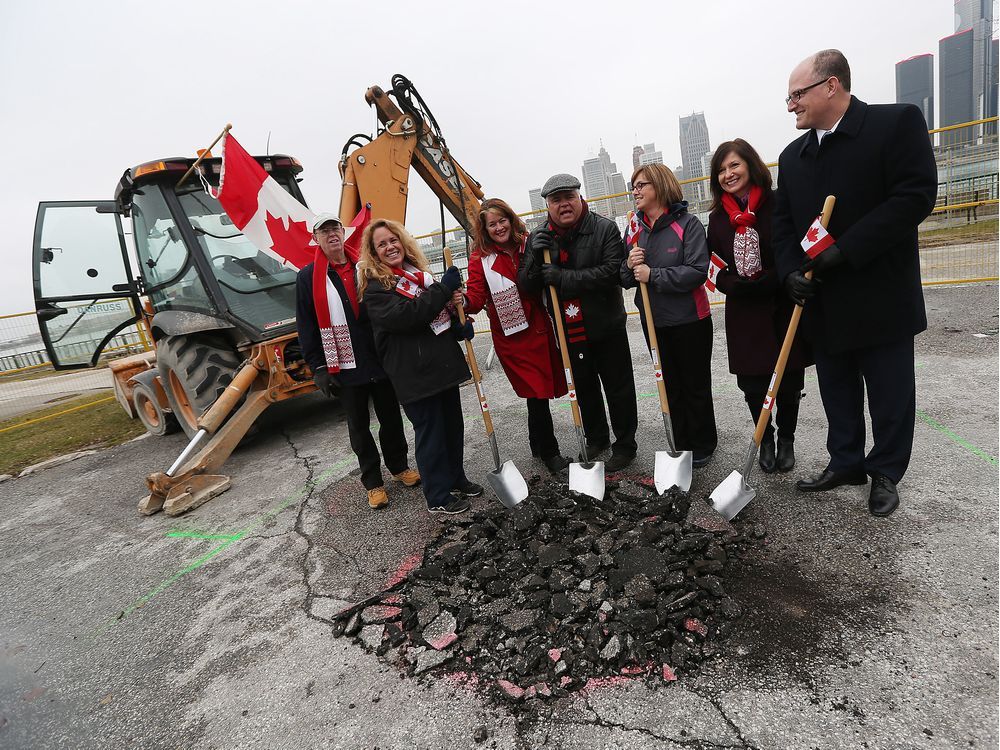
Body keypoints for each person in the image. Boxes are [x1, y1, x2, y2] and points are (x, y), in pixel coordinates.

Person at [773, 49, 937, 517]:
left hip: (879, 295)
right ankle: (844, 460)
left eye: (797, 95)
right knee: (837, 390)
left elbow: (915, 195)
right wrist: (789, 273)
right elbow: (783, 226)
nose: (791, 106)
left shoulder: (895, 124)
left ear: (831, 85)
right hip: (824, 301)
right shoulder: (794, 156)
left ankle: (885, 471)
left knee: (890, 394)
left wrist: (847, 249)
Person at [295, 213, 420, 510]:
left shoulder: (366, 267)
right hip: (345, 364)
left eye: (335, 228)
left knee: (391, 418)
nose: (331, 235)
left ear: (343, 232)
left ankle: (399, 466)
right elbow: (307, 326)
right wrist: (320, 368)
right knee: (359, 426)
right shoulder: (308, 278)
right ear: (316, 239)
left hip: (379, 357)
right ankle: (373, 483)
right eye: (324, 231)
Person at [358, 218, 481, 515]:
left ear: (403, 241)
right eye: (382, 244)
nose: (390, 247)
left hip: (441, 366)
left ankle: (455, 478)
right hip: (414, 374)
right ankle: (437, 496)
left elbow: (433, 320)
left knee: (452, 427)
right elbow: (409, 317)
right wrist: (442, 290)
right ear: (373, 253)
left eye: (393, 240)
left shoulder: (418, 276)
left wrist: (456, 327)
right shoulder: (376, 290)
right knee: (431, 433)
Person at [518, 174, 638, 473]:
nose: (564, 204)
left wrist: (564, 278)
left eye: (568, 197)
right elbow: (527, 284)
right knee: (584, 388)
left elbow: (612, 272)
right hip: (569, 328)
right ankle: (597, 436)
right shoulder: (538, 236)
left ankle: (625, 444)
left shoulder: (604, 228)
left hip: (606, 323)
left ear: (579, 197)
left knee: (618, 388)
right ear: (547, 205)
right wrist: (534, 257)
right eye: (556, 200)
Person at [707, 140, 810, 473]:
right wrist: (731, 284)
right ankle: (765, 438)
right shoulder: (717, 218)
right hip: (743, 311)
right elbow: (713, 266)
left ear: (750, 165)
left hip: (781, 303)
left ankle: (788, 440)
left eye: (734, 165)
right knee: (754, 385)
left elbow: (793, 248)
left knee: (789, 381)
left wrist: (775, 278)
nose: (728, 174)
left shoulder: (776, 203)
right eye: (721, 170)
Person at [620, 163, 718, 467]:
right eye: (633, 186)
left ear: (659, 186)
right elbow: (625, 279)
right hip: (655, 322)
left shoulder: (687, 225)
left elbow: (696, 271)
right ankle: (681, 441)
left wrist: (653, 274)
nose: (635, 191)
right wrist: (628, 265)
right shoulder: (633, 229)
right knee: (670, 385)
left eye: (641, 185)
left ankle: (703, 442)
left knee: (694, 385)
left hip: (690, 320)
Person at [463, 198, 571, 473]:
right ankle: (550, 452)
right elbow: (475, 298)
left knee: (540, 394)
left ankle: (539, 444)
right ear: (484, 229)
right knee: (536, 392)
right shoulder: (480, 259)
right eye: (492, 224)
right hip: (512, 337)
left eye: (502, 221)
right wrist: (460, 300)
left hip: (539, 326)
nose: (499, 227)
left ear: (511, 219)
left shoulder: (529, 244)